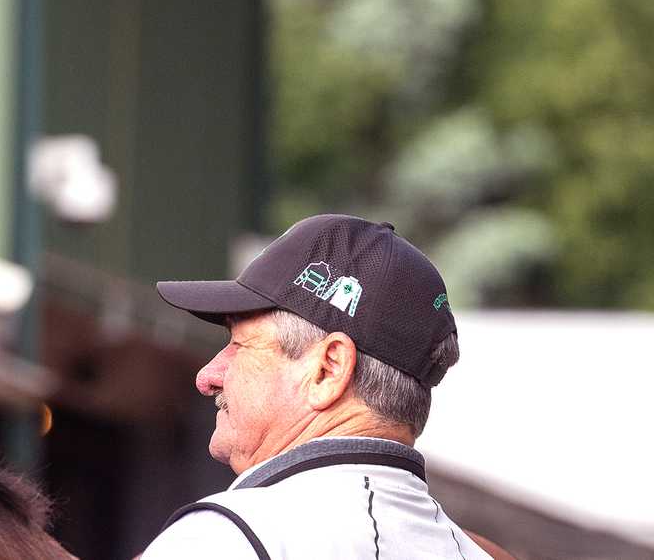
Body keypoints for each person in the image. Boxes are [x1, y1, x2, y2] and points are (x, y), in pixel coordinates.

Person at [141, 214, 514, 559]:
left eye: (239, 344)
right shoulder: (473, 553)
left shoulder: (221, 541)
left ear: (328, 369)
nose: (207, 376)